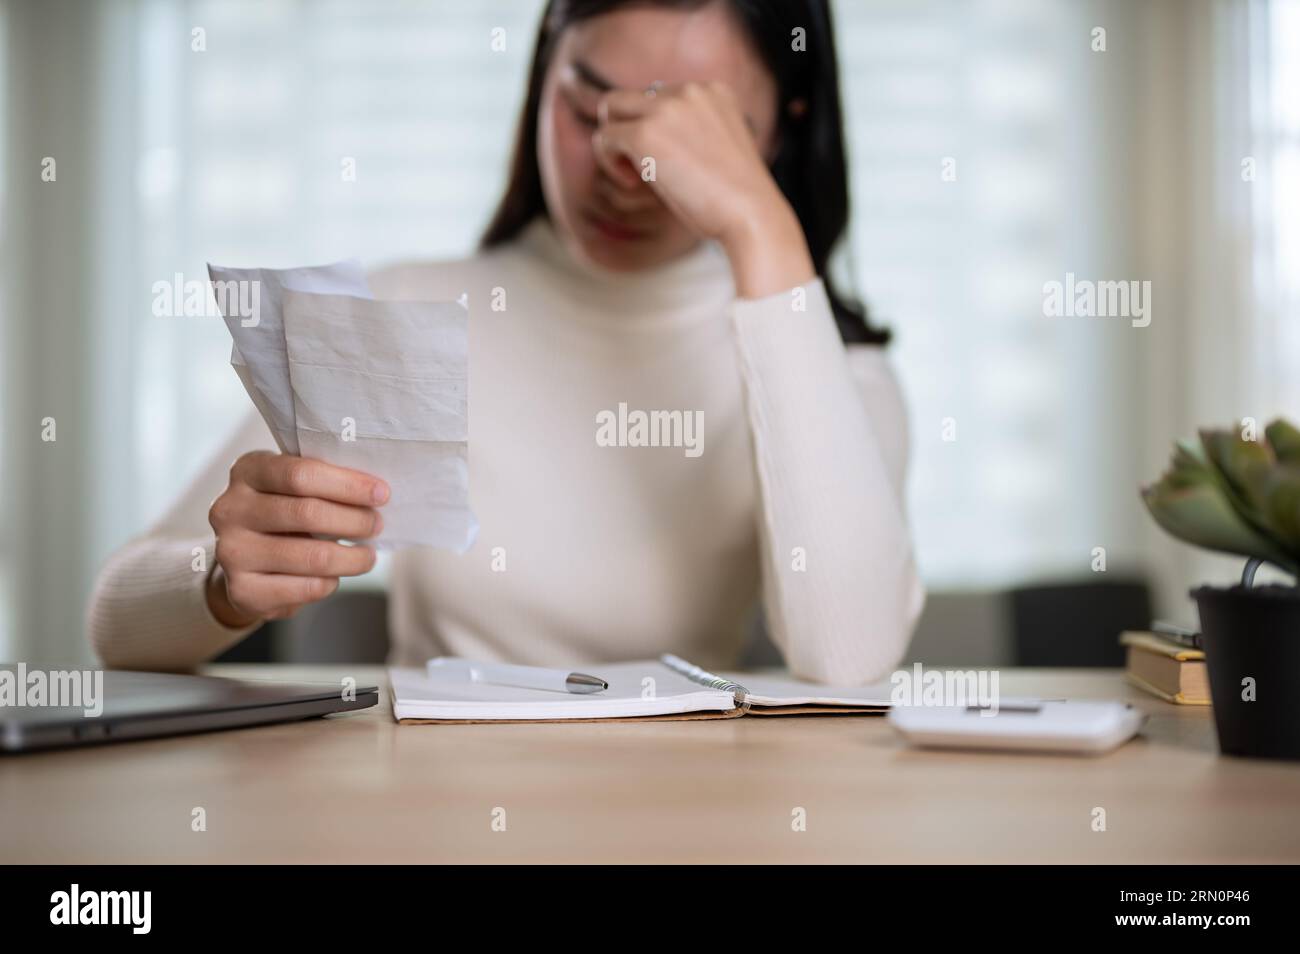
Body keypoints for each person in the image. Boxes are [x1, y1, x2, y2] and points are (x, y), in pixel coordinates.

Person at [88, 0, 924, 683]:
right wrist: (223, 582)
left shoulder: (825, 367)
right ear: (540, 78)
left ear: (778, 134)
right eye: (589, 103)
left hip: (683, 812)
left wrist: (762, 232)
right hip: (426, 808)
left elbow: (850, 659)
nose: (623, 164)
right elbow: (114, 624)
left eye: (690, 135)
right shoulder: (405, 310)